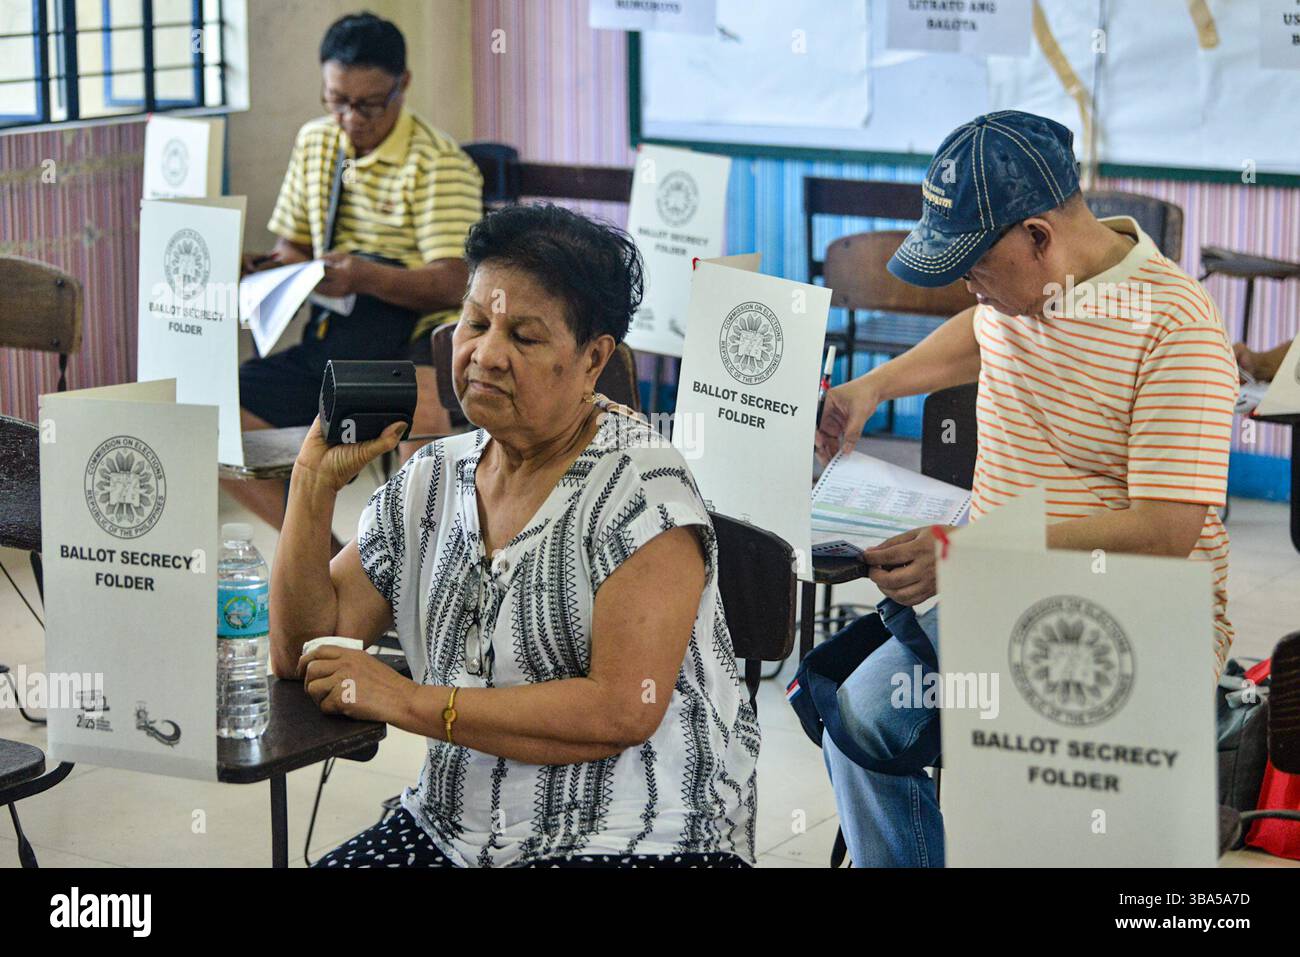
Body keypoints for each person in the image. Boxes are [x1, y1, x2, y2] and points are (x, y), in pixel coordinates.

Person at [272, 204, 759, 868]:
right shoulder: (433, 479)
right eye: (476, 323)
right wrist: (310, 486)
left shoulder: (642, 489)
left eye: (524, 337)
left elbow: (619, 711)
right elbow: (306, 648)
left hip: (639, 834)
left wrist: (411, 699)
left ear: (593, 359)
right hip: (453, 827)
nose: (486, 355)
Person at [812, 110, 1237, 867]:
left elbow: (1166, 530)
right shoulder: (1017, 290)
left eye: (974, 265)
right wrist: (872, 386)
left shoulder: (1176, 327)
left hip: (1125, 620)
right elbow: (981, 331)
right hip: (994, 590)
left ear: (1039, 236)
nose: (968, 285)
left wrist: (970, 553)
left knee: (1047, 819)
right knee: (856, 718)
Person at [226, 11, 483, 538]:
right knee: (213, 416)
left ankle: (425, 569)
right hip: (336, 337)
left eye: (368, 103)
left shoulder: (438, 163)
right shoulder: (316, 143)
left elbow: (455, 282)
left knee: (423, 413)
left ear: (403, 85)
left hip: (413, 338)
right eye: (336, 100)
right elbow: (294, 245)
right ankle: (322, 557)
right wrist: (268, 270)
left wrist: (363, 276)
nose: (351, 118)